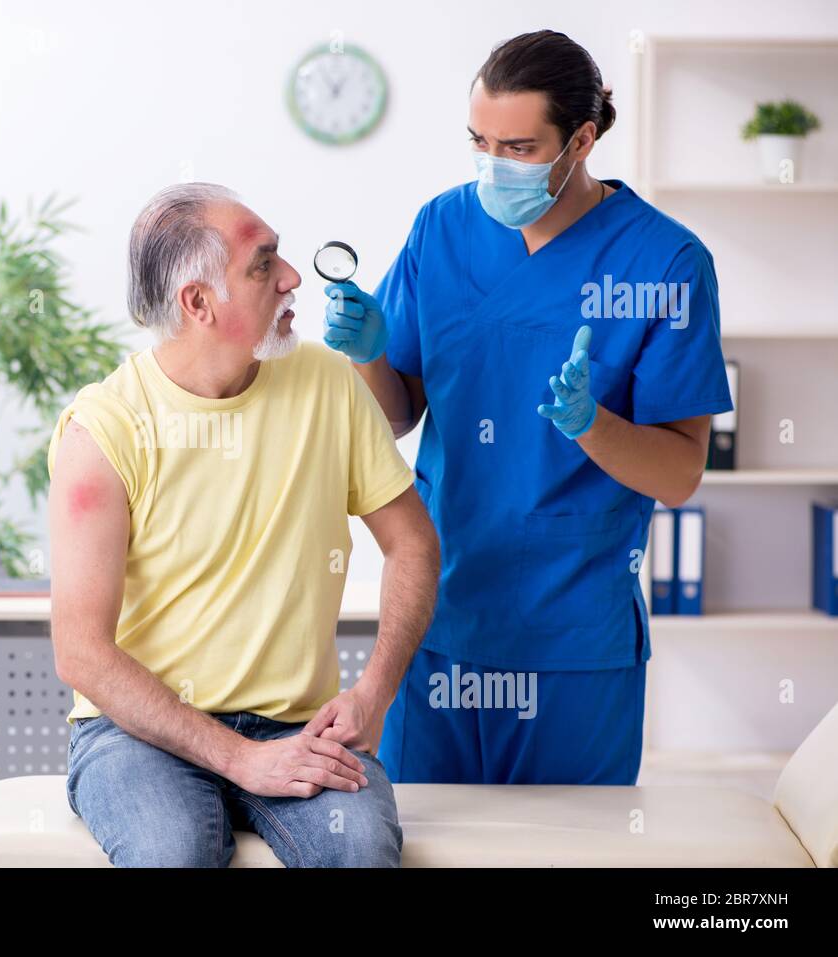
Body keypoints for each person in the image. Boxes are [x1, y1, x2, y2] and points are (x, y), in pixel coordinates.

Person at [323, 30, 732, 785]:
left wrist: (592, 425)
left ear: (580, 140)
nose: (491, 166)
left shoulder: (666, 263)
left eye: (516, 147)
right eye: (478, 141)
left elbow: (679, 474)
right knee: (425, 844)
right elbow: (398, 413)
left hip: (570, 641)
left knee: (563, 850)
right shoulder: (442, 228)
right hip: (438, 622)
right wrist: (370, 349)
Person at [48, 182, 439, 866]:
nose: (292, 279)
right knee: (174, 851)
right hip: (137, 734)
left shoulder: (328, 384)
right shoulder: (105, 427)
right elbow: (81, 650)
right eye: (263, 266)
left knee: (363, 850)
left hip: (297, 722)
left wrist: (373, 693)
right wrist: (240, 759)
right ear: (197, 303)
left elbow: (413, 543)